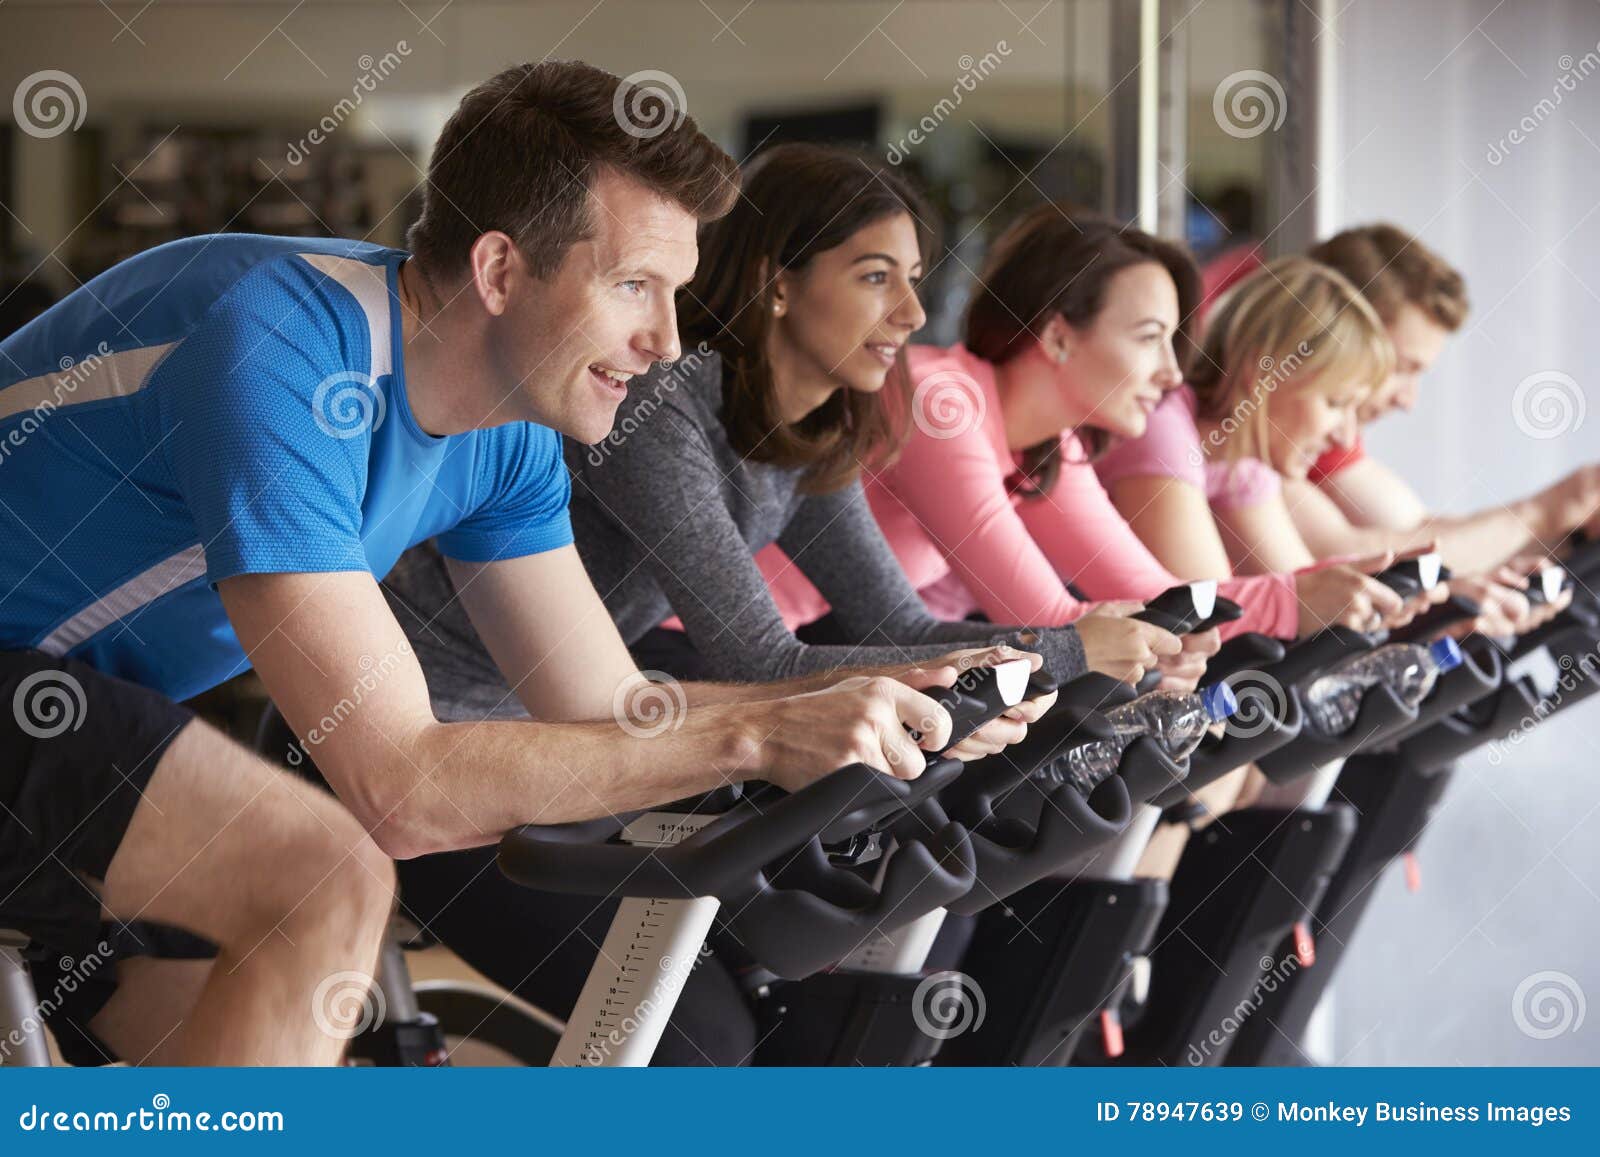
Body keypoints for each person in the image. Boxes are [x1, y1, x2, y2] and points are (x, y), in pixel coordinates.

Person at [0, 61, 1025, 1068]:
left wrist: (851, 702)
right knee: (319, 881)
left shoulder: (509, 434)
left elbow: (608, 707)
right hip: (31, 683)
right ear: (499, 271)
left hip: (75, 705)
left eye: (675, 293)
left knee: (225, 1036)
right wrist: (757, 732)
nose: (668, 341)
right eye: (633, 285)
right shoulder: (289, 349)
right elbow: (400, 787)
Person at [1099, 254, 1567, 638]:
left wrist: (1444, 601)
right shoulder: (1164, 432)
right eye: (1336, 403)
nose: (1344, 436)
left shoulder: (1244, 465)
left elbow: (1317, 595)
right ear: (1264, 375)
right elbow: (1208, 623)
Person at [1281, 225, 1600, 573]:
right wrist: (1540, 513)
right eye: (1401, 368)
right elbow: (1354, 556)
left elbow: (1417, 531)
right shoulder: (1275, 439)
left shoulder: (1330, 435)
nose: (1408, 400)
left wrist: (1569, 528)